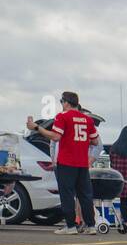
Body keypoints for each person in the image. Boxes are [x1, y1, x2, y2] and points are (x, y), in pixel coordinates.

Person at [25, 91, 97, 234]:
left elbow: (56, 136)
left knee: (67, 194)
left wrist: (36, 128)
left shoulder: (62, 116)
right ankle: (91, 225)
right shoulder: (87, 119)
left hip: (67, 161)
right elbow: (94, 140)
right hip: (82, 162)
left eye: (61, 102)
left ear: (66, 102)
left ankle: (70, 226)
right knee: (85, 195)